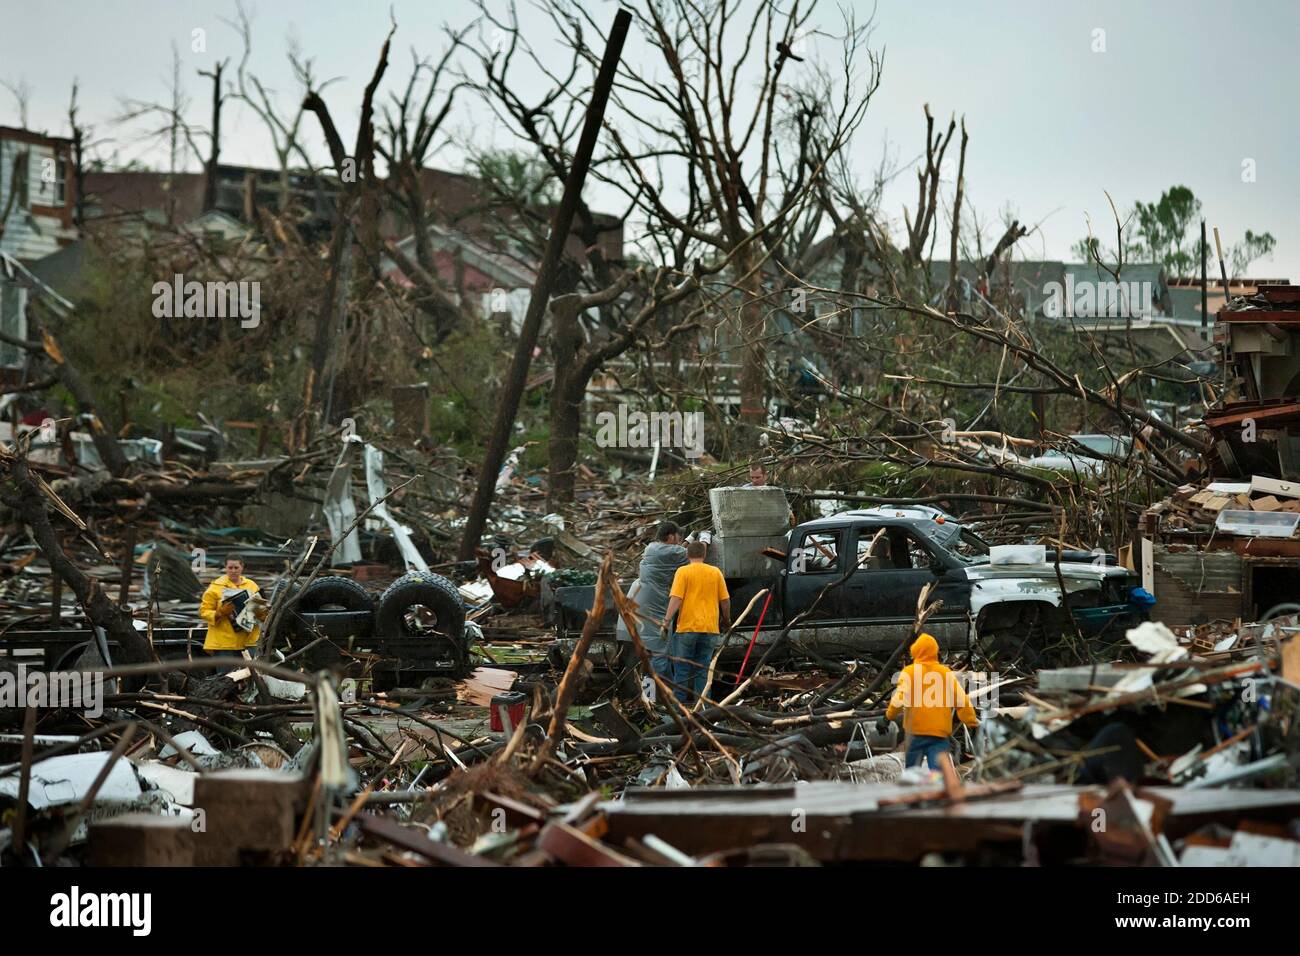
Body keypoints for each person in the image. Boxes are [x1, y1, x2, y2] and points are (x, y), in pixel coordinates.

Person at [882, 632, 979, 770]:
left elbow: (899, 699)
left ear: (915, 650)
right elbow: (961, 700)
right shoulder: (945, 673)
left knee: (913, 771)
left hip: (915, 731)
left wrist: (887, 718)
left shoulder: (909, 672)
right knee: (937, 771)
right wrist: (972, 722)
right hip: (939, 732)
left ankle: (917, 790)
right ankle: (937, 788)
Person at [615, 521, 687, 684]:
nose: (679, 539)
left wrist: (688, 541)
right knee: (658, 660)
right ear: (670, 536)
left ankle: (659, 698)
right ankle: (654, 699)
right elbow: (696, 554)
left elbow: (677, 552)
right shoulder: (671, 552)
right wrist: (704, 539)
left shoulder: (652, 549)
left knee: (653, 659)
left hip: (638, 611)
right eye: (678, 536)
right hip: (651, 615)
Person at [662, 540, 730, 703]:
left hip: (687, 628)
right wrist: (726, 619)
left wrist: (666, 621)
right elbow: (725, 600)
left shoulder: (683, 572)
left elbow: (676, 599)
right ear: (704, 555)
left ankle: (680, 711)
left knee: (682, 670)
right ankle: (704, 709)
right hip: (710, 629)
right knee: (703, 671)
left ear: (687, 555)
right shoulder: (715, 572)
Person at [200, 555, 262, 657]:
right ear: (225, 568)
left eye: (236, 567)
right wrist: (219, 613)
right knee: (227, 673)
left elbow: (261, 607)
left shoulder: (252, 586)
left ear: (242, 567)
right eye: (230, 568)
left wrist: (262, 613)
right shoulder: (215, 587)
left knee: (253, 672)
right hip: (224, 643)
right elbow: (204, 611)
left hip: (249, 641)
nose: (233, 571)